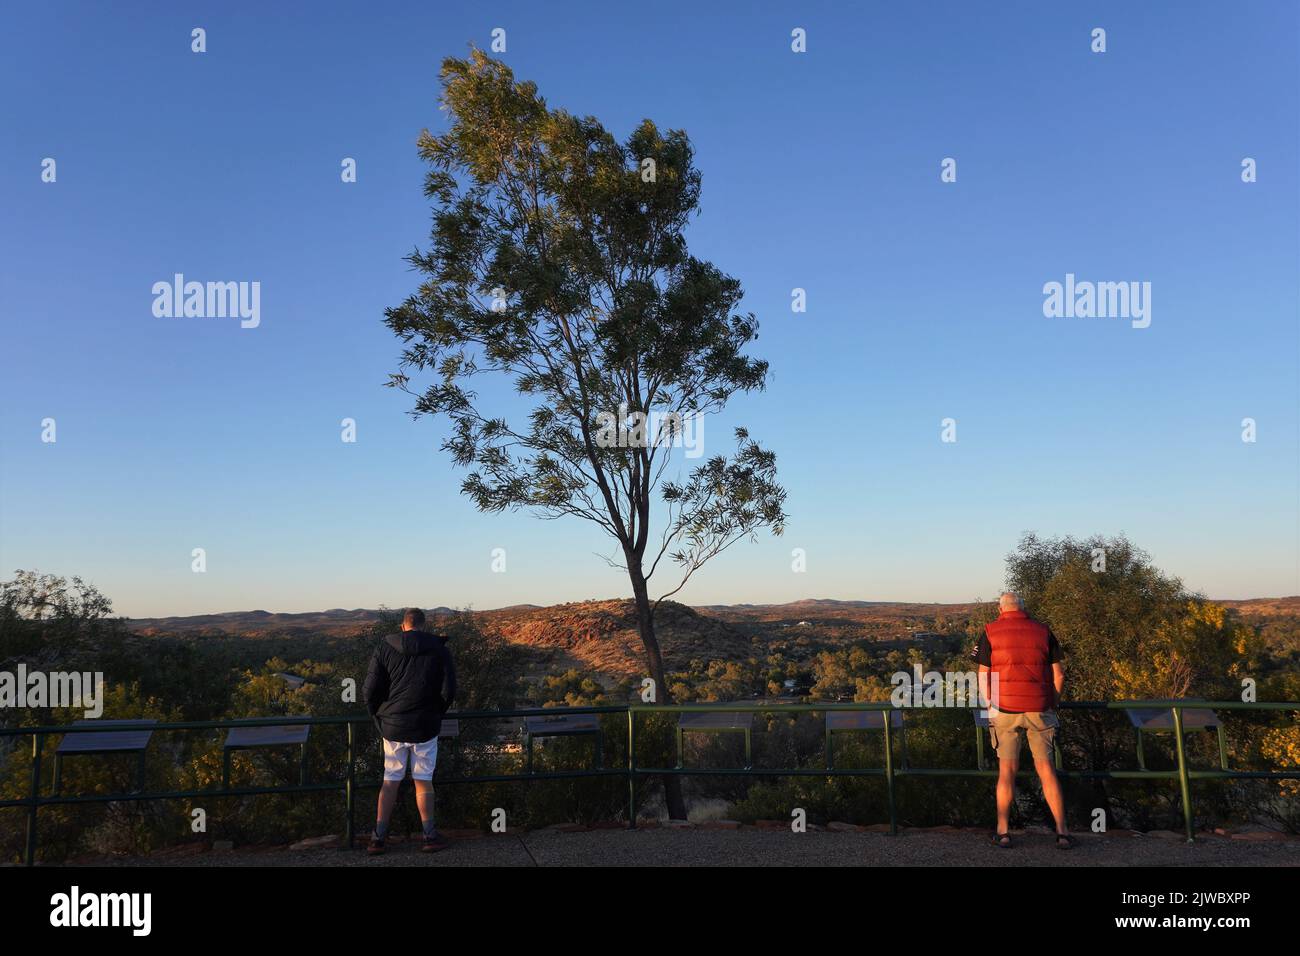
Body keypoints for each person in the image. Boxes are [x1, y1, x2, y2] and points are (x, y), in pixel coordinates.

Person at [972, 592, 1073, 850]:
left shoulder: (990, 631)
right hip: (1040, 708)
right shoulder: (1043, 631)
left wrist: (990, 704)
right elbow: (1058, 675)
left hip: (1004, 710)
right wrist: (1053, 702)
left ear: (1000, 608)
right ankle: (1062, 833)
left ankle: (1003, 832)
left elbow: (983, 676)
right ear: (1023, 608)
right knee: (1047, 771)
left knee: (1006, 772)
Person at [362, 607, 456, 854]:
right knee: (423, 781)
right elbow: (449, 690)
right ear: (423, 626)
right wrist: (437, 711)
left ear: (403, 625)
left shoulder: (384, 648)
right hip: (425, 725)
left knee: (390, 781)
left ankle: (378, 838)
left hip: (392, 726)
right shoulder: (439, 649)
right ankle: (429, 836)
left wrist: (377, 715)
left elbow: (369, 690)